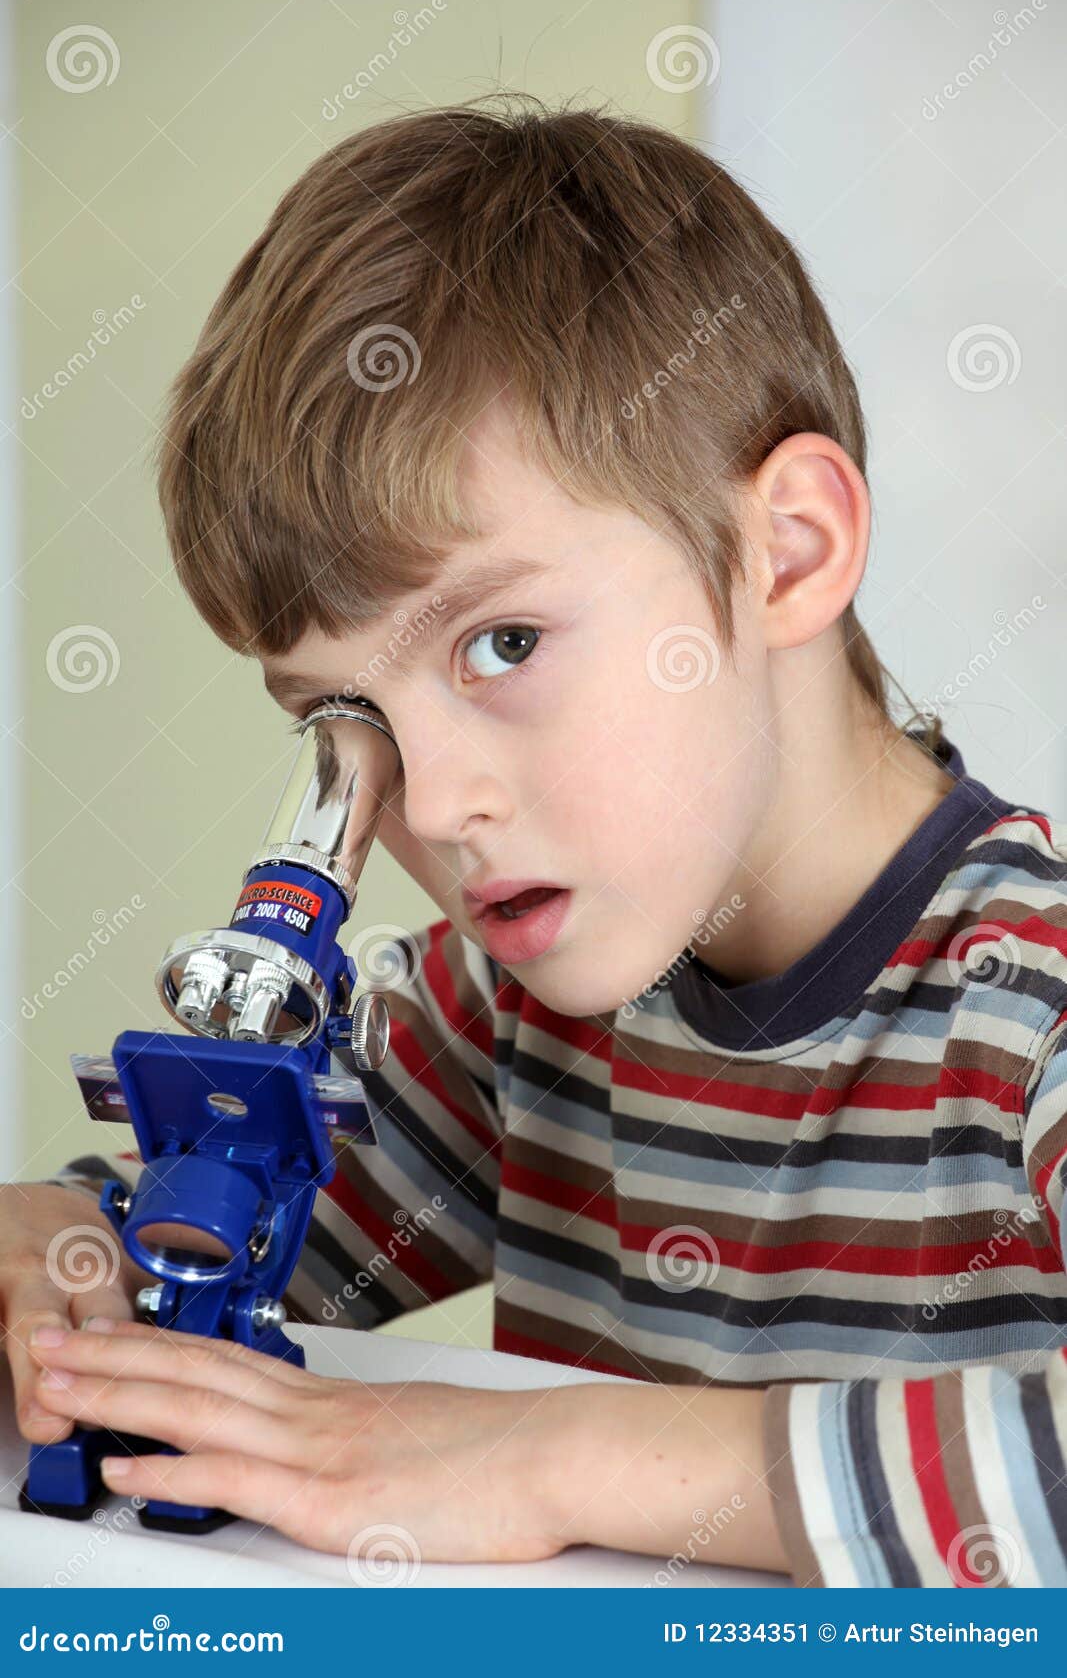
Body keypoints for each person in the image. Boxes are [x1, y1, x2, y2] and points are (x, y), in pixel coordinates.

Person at [5, 94, 1066, 1587]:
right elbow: (205, 1244)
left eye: (503, 640)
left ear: (790, 552)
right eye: (342, 715)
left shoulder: (1033, 1003)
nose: (428, 807)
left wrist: (558, 1454)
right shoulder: (511, 1013)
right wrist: (58, 1247)